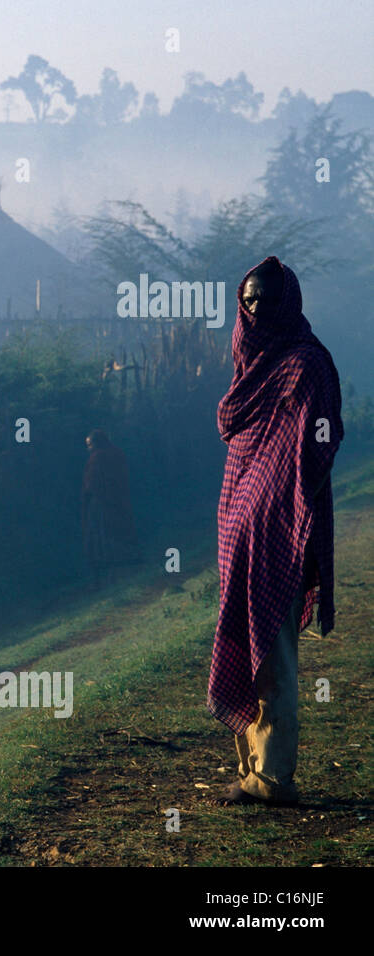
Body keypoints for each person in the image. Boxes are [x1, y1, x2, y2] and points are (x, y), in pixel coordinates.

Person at [210, 256, 343, 806]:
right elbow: (245, 446)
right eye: (249, 298)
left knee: (274, 655)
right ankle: (251, 769)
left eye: (266, 296)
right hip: (239, 537)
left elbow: (320, 438)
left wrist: (275, 498)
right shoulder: (250, 372)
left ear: (288, 300)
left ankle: (273, 777)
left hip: (283, 530)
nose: (257, 306)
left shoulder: (306, 364)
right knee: (246, 645)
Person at [80, 428, 138, 588]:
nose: (89, 448)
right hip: (118, 501)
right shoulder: (117, 454)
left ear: (97, 443)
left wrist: (90, 497)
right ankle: (114, 573)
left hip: (101, 504)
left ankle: (106, 576)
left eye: (90, 444)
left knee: (102, 538)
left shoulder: (98, 458)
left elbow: (92, 483)